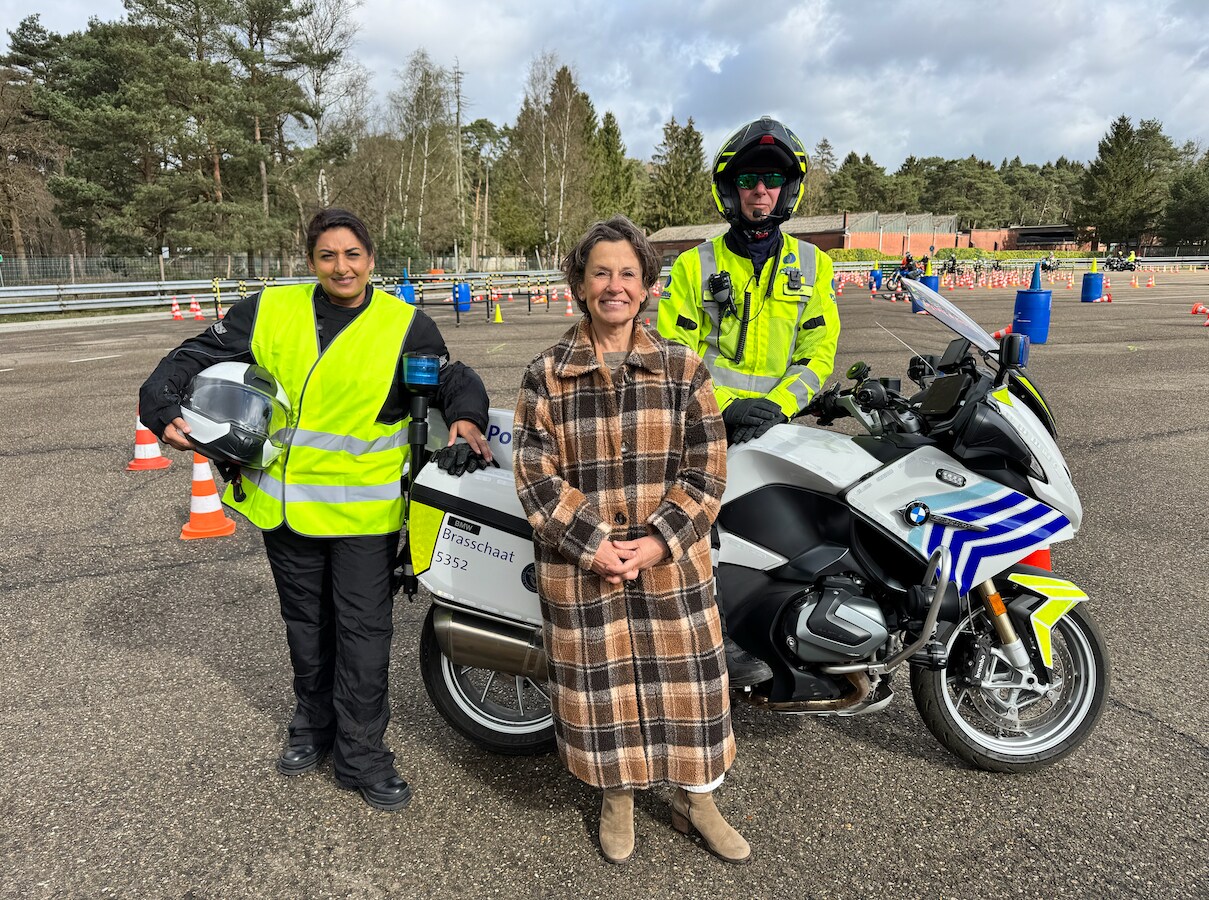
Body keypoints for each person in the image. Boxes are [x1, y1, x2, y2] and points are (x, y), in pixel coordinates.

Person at [139, 208, 493, 812]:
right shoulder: (268, 310)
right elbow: (195, 353)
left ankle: (363, 755)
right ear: (311, 261)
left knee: (362, 637)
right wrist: (158, 400)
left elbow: (449, 380)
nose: (341, 266)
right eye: (328, 256)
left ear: (371, 260)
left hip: (363, 518)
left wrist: (465, 419)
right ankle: (312, 727)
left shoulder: (406, 325)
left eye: (352, 255)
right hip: (287, 512)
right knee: (305, 628)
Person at [513, 216, 748, 866]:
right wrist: (594, 545)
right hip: (583, 571)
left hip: (669, 566)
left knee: (691, 690)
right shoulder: (547, 375)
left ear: (646, 286)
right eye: (600, 273)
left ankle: (695, 798)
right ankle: (615, 798)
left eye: (626, 274)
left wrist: (654, 542)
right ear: (579, 284)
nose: (613, 286)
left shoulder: (682, 370)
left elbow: (707, 469)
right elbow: (534, 474)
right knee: (602, 691)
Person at [658, 115, 840, 687]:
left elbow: (818, 354)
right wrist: (728, 405)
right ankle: (710, 642)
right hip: (707, 426)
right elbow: (674, 355)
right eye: (749, 180)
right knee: (694, 534)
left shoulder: (814, 265)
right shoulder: (695, 266)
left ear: (788, 190)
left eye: (772, 180)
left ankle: (791, 627)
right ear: (730, 189)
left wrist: (781, 406)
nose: (760, 191)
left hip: (780, 429)